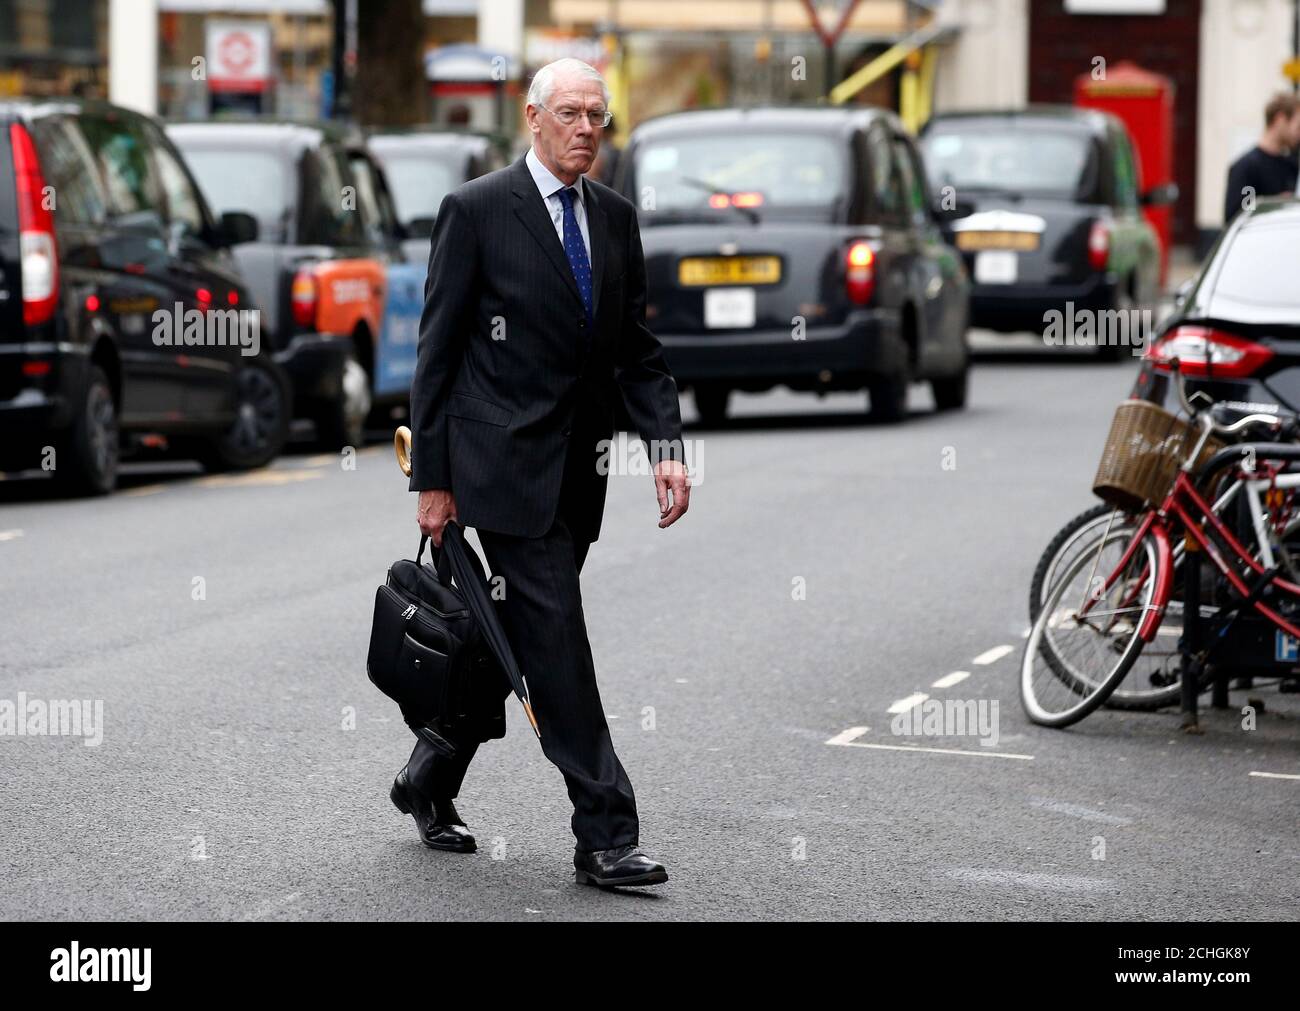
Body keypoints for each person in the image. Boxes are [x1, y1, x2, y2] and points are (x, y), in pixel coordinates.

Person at [395, 57, 691, 889]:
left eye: (598, 115)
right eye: (569, 113)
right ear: (533, 118)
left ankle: (427, 775)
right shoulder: (478, 210)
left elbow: (636, 351)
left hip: (578, 476)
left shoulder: (615, 217)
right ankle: (606, 833)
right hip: (499, 474)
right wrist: (433, 480)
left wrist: (666, 448)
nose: (586, 129)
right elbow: (437, 353)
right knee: (558, 643)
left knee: (515, 640)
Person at [1223, 92, 1300, 226]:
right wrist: (1275, 203)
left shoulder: (1292, 166)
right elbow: (1238, 218)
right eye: (1298, 127)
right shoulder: (1247, 168)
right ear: (1280, 119)